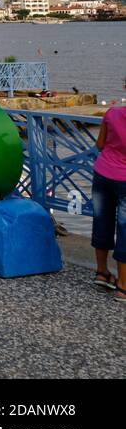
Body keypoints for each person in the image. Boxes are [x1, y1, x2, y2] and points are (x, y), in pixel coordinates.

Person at [91, 102, 126, 303]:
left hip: (103, 173)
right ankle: (123, 286)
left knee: (102, 220)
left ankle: (102, 272)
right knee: (125, 228)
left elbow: (100, 144)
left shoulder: (112, 112)